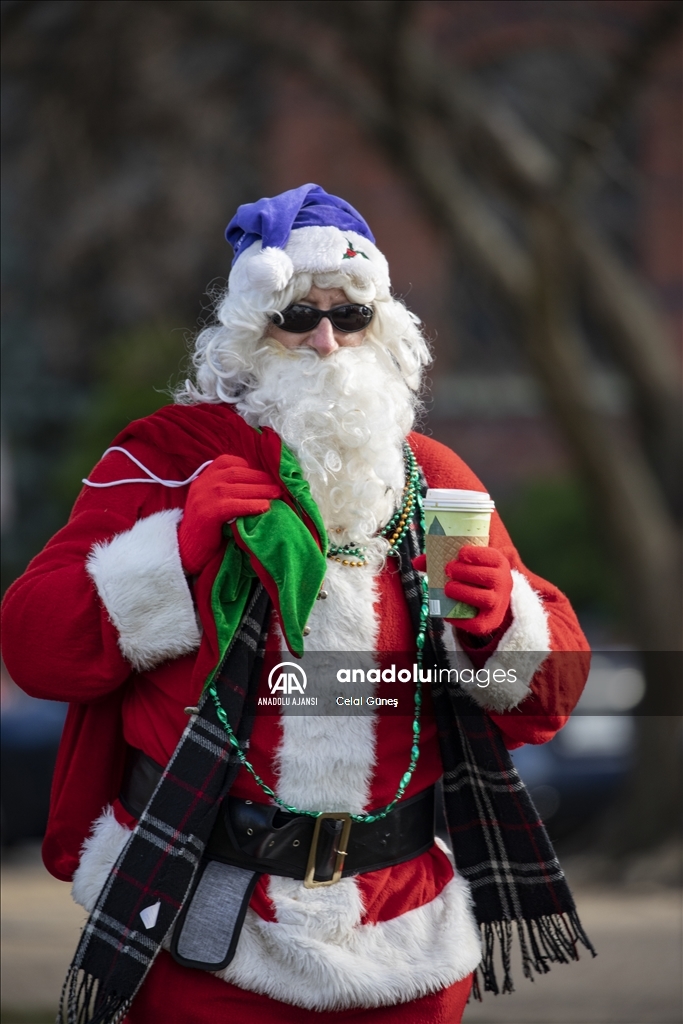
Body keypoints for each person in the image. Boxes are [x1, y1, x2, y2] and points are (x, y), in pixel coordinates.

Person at [1, 184, 593, 1024]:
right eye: (295, 316)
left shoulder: (433, 476)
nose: (325, 341)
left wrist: (500, 626)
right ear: (251, 331)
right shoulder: (162, 458)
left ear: (379, 329)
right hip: (203, 924)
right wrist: (174, 549)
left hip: (404, 934)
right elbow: (34, 646)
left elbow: (551, 694)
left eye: (349, 317)